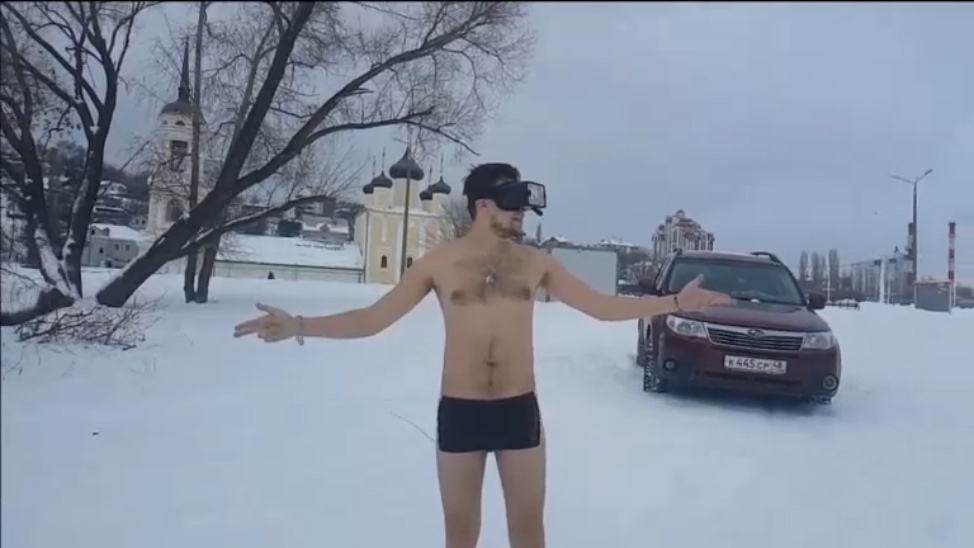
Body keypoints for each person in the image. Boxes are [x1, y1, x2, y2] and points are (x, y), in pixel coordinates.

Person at [233, 163, 733, 548]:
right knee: (461, 535)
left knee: (528, 534)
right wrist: (301, 325)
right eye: (512, 202)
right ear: (482, 206)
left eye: (524, 204)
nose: (521, 213)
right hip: (461, 412)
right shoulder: (440, 264)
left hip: (518, 410)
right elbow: (374, 318)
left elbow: (601, 306)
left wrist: (674, 303)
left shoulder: (535, 263)